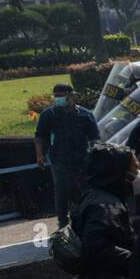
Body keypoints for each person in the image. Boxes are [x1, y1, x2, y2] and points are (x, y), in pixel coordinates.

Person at [72, 143, 140, 279]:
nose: (139, 175)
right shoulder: (105, 206)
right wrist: (139, 262)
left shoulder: (94, 196)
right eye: (134, 169)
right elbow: (98, 249)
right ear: (118, 173)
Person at [34, 82, 98, 229]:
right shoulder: (48, 115)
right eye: (56, 96)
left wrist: (95, 155)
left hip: (82, 158)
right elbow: (40, 137)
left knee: (83, 188)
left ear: (71, 96)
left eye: (61, 96)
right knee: (61, 190)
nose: (58, 99)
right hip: (58, 158)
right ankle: (62, 223)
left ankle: (85, 218)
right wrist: (40, 155)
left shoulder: (85, 115)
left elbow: (94, 138)